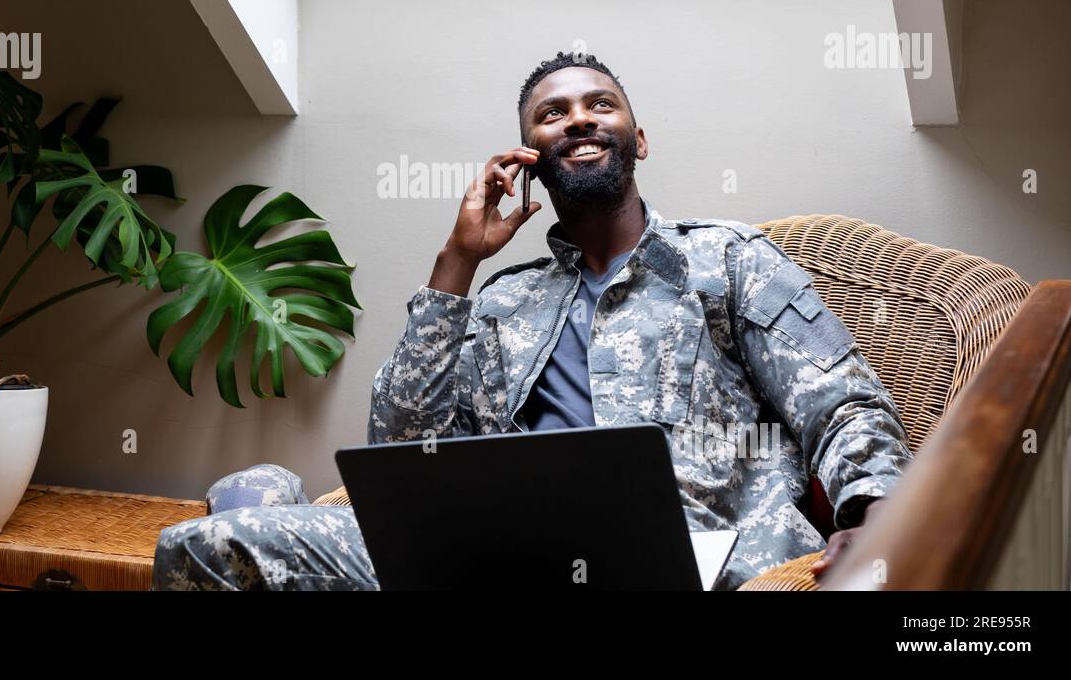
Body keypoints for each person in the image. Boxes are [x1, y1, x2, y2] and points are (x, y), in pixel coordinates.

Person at [153, 51, 913, 591]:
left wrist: (875, 517)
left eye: (600, 104)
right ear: (531, 158)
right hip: (489, 553)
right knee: (203, 547)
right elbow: (400, 446)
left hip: (689, 555)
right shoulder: (499, 300)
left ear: (636, 139)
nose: (579, 119)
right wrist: (457, 262)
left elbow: (843, 402)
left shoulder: (728, 258)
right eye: (553, 115)